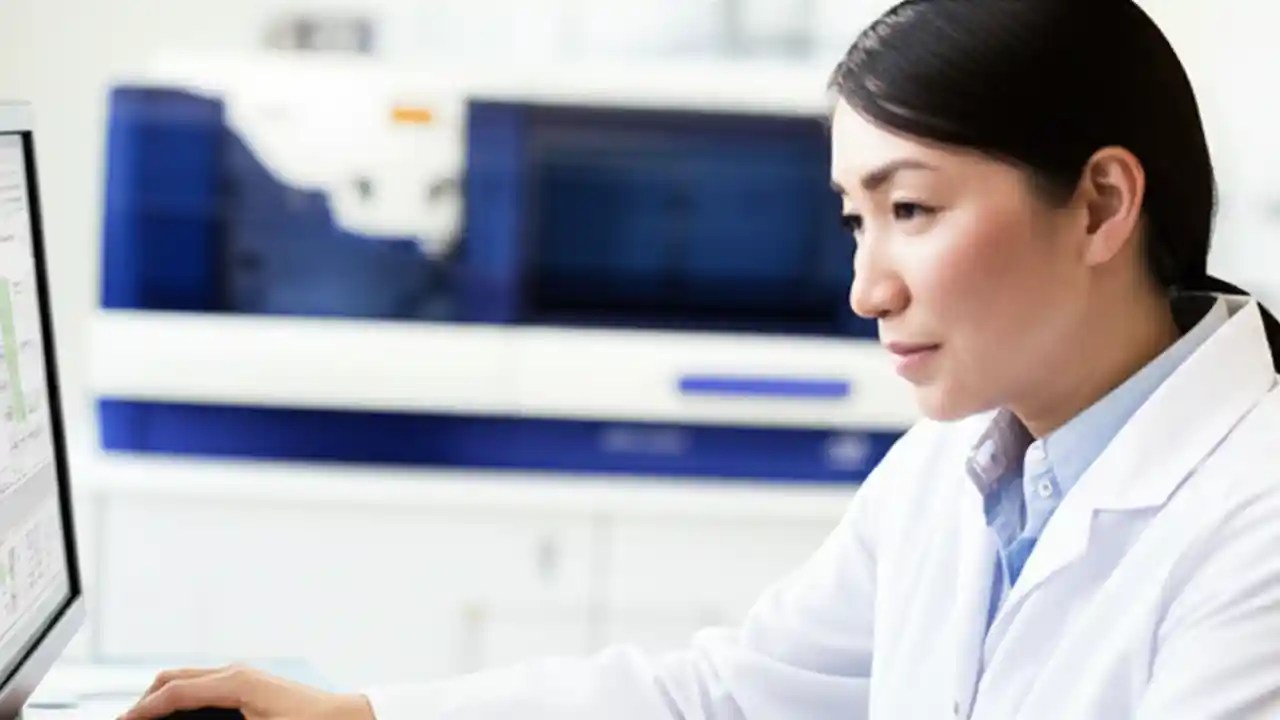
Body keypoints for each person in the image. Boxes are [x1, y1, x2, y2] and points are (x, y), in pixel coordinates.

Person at [120, 1, 1280, 718]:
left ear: (1099, 204)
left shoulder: (1252, 526)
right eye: (852, 220)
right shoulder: (963, 465)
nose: (865, 289)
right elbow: (725, 696)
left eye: (911, 209)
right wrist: (360, 718)